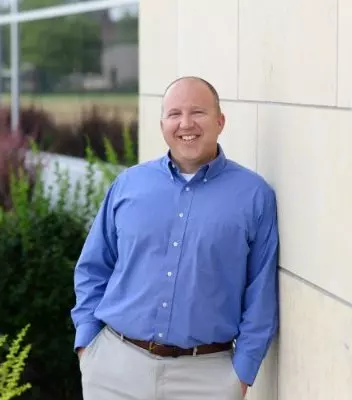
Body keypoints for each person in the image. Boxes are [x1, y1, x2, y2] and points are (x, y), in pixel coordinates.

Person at [71, 76, 279, 400]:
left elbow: (261, 294)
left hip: (206, 377)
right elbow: (93, 267)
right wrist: (88, 345)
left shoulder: (254, 196)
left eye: (198, 112)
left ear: (220, 121)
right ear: (162, 124)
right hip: (114, 369)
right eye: (174, 114)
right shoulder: (128, 185)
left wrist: (241, 374)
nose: (186, 123)